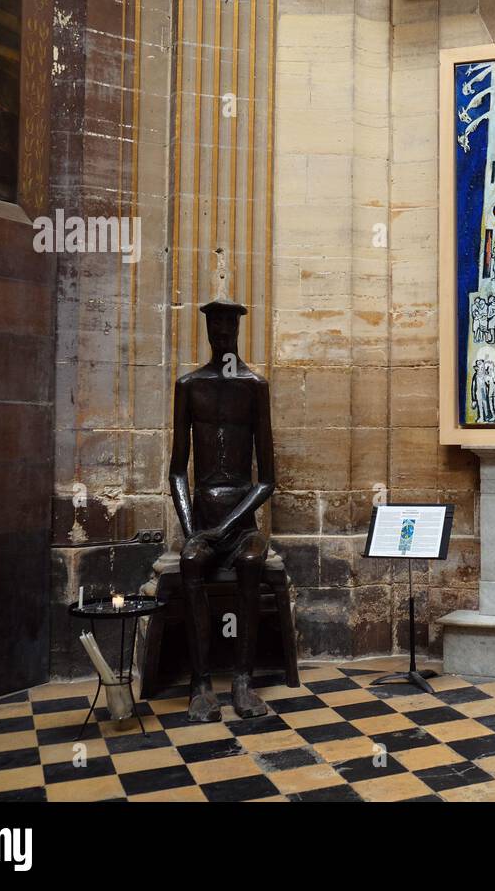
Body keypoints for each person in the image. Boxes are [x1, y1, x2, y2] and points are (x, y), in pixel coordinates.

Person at [170, 298, 275, 722]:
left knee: (251, 563)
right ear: (208, 329)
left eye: (229, 323)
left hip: (241, 522)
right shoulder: (189, 386)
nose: (223, 331)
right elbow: (178, 470)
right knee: (191, 564)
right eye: (216, 323)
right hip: (203, 521)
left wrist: (227, 525)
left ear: (238, 328)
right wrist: (193, 528)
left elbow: (267, 478)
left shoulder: (254, 387)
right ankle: (200, 684)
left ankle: (243, 680)